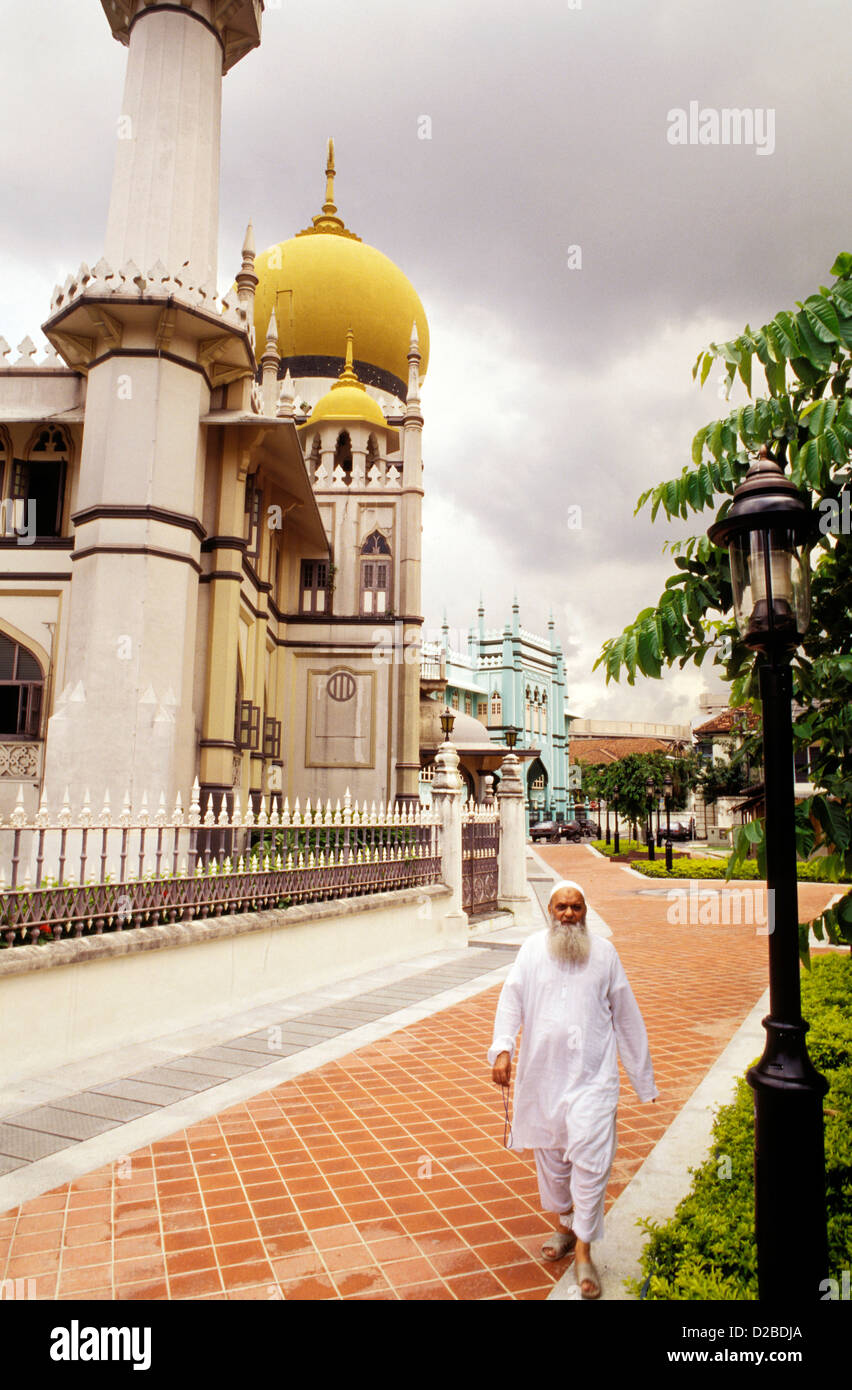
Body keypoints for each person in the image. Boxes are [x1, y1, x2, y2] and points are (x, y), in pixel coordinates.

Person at [488, 879, 658, 1299]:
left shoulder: (604, 954)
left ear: (585, 911)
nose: (568, 914)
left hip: (592, 1079)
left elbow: (627, 1017)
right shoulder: (530, 951)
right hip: (542, 1079)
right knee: (553, 1163)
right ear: (550, 911)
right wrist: (502, 1050)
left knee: (591, 1159)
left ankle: (584, 1250)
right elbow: (510, 1000)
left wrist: (642, 1079)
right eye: (561, 907)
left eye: (576, 907)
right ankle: (565, 1224)